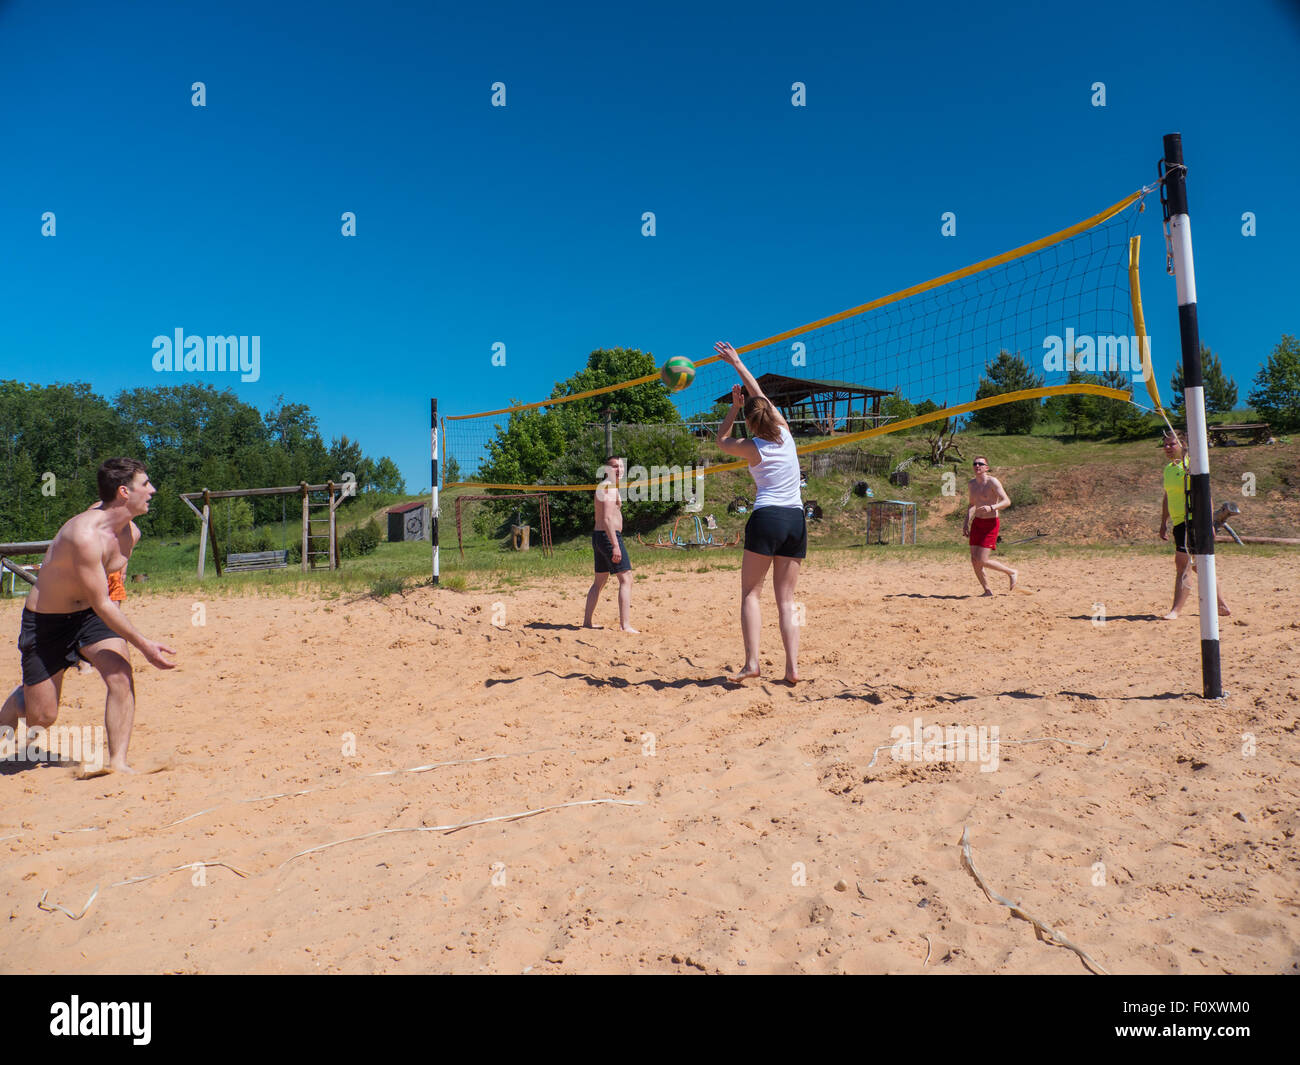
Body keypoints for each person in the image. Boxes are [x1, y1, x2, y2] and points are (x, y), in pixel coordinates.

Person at [0, 458, 176, 774]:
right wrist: (144, 644)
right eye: (145, 484)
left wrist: (117, 642)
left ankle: (118, 762)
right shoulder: (84, 535)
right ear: (124, 492)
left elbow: (110, 594)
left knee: (120, 673)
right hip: (47, 622)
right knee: (43, 716)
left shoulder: (129, 533)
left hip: (90, 615)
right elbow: (104, 602)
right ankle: (18, 699)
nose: (152, 490)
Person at [714, 341, 804, 684]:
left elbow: (721, 440)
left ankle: (752, 663)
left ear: (751, 424)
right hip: (796, 520)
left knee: (751, 593)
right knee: (787, 599)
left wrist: (734, 409)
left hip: (767, 518)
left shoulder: (753, 448)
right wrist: (738, 363)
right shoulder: (785, 434)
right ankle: (792, 667)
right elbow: (759, 392)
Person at [1158, 431, 1230, 620]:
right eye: (1164, 445)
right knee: (1199, 566)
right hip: (1178, 522)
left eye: (1171, 444)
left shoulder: (1192, 466)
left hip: (1192, 521)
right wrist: (1164, 522)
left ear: (1183, 445)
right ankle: (1221, 604)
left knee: (1183, 565)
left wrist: (1209, 523)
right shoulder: (1168, 469)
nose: (1166, 448)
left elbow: (1206, 495)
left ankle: (1175, 610)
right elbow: (1167, 496)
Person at [583, 455, 637, 632]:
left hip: (600, 536)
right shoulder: (609, 487)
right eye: (614, 466)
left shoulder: (607, 486)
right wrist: (614, 544)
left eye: (621, 466)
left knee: (599, 581)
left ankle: (588, 622)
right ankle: (625, 625)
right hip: (608, 536)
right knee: (626, 578)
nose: (619, 469)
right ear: (607, 469)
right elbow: (606, 518)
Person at [963, 457, 1017, 595]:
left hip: (991, 523)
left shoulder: (992, 481)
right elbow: (971, 505)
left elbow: (1007, 501)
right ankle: (987, 590)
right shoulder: (971, 484)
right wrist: (965, 523)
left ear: (986, 467)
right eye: (975, 464)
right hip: (977, 523)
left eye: (980, 464)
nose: (977, 466)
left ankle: (1011, 572)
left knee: (982, 559)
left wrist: (992, 507)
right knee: (974, 560)